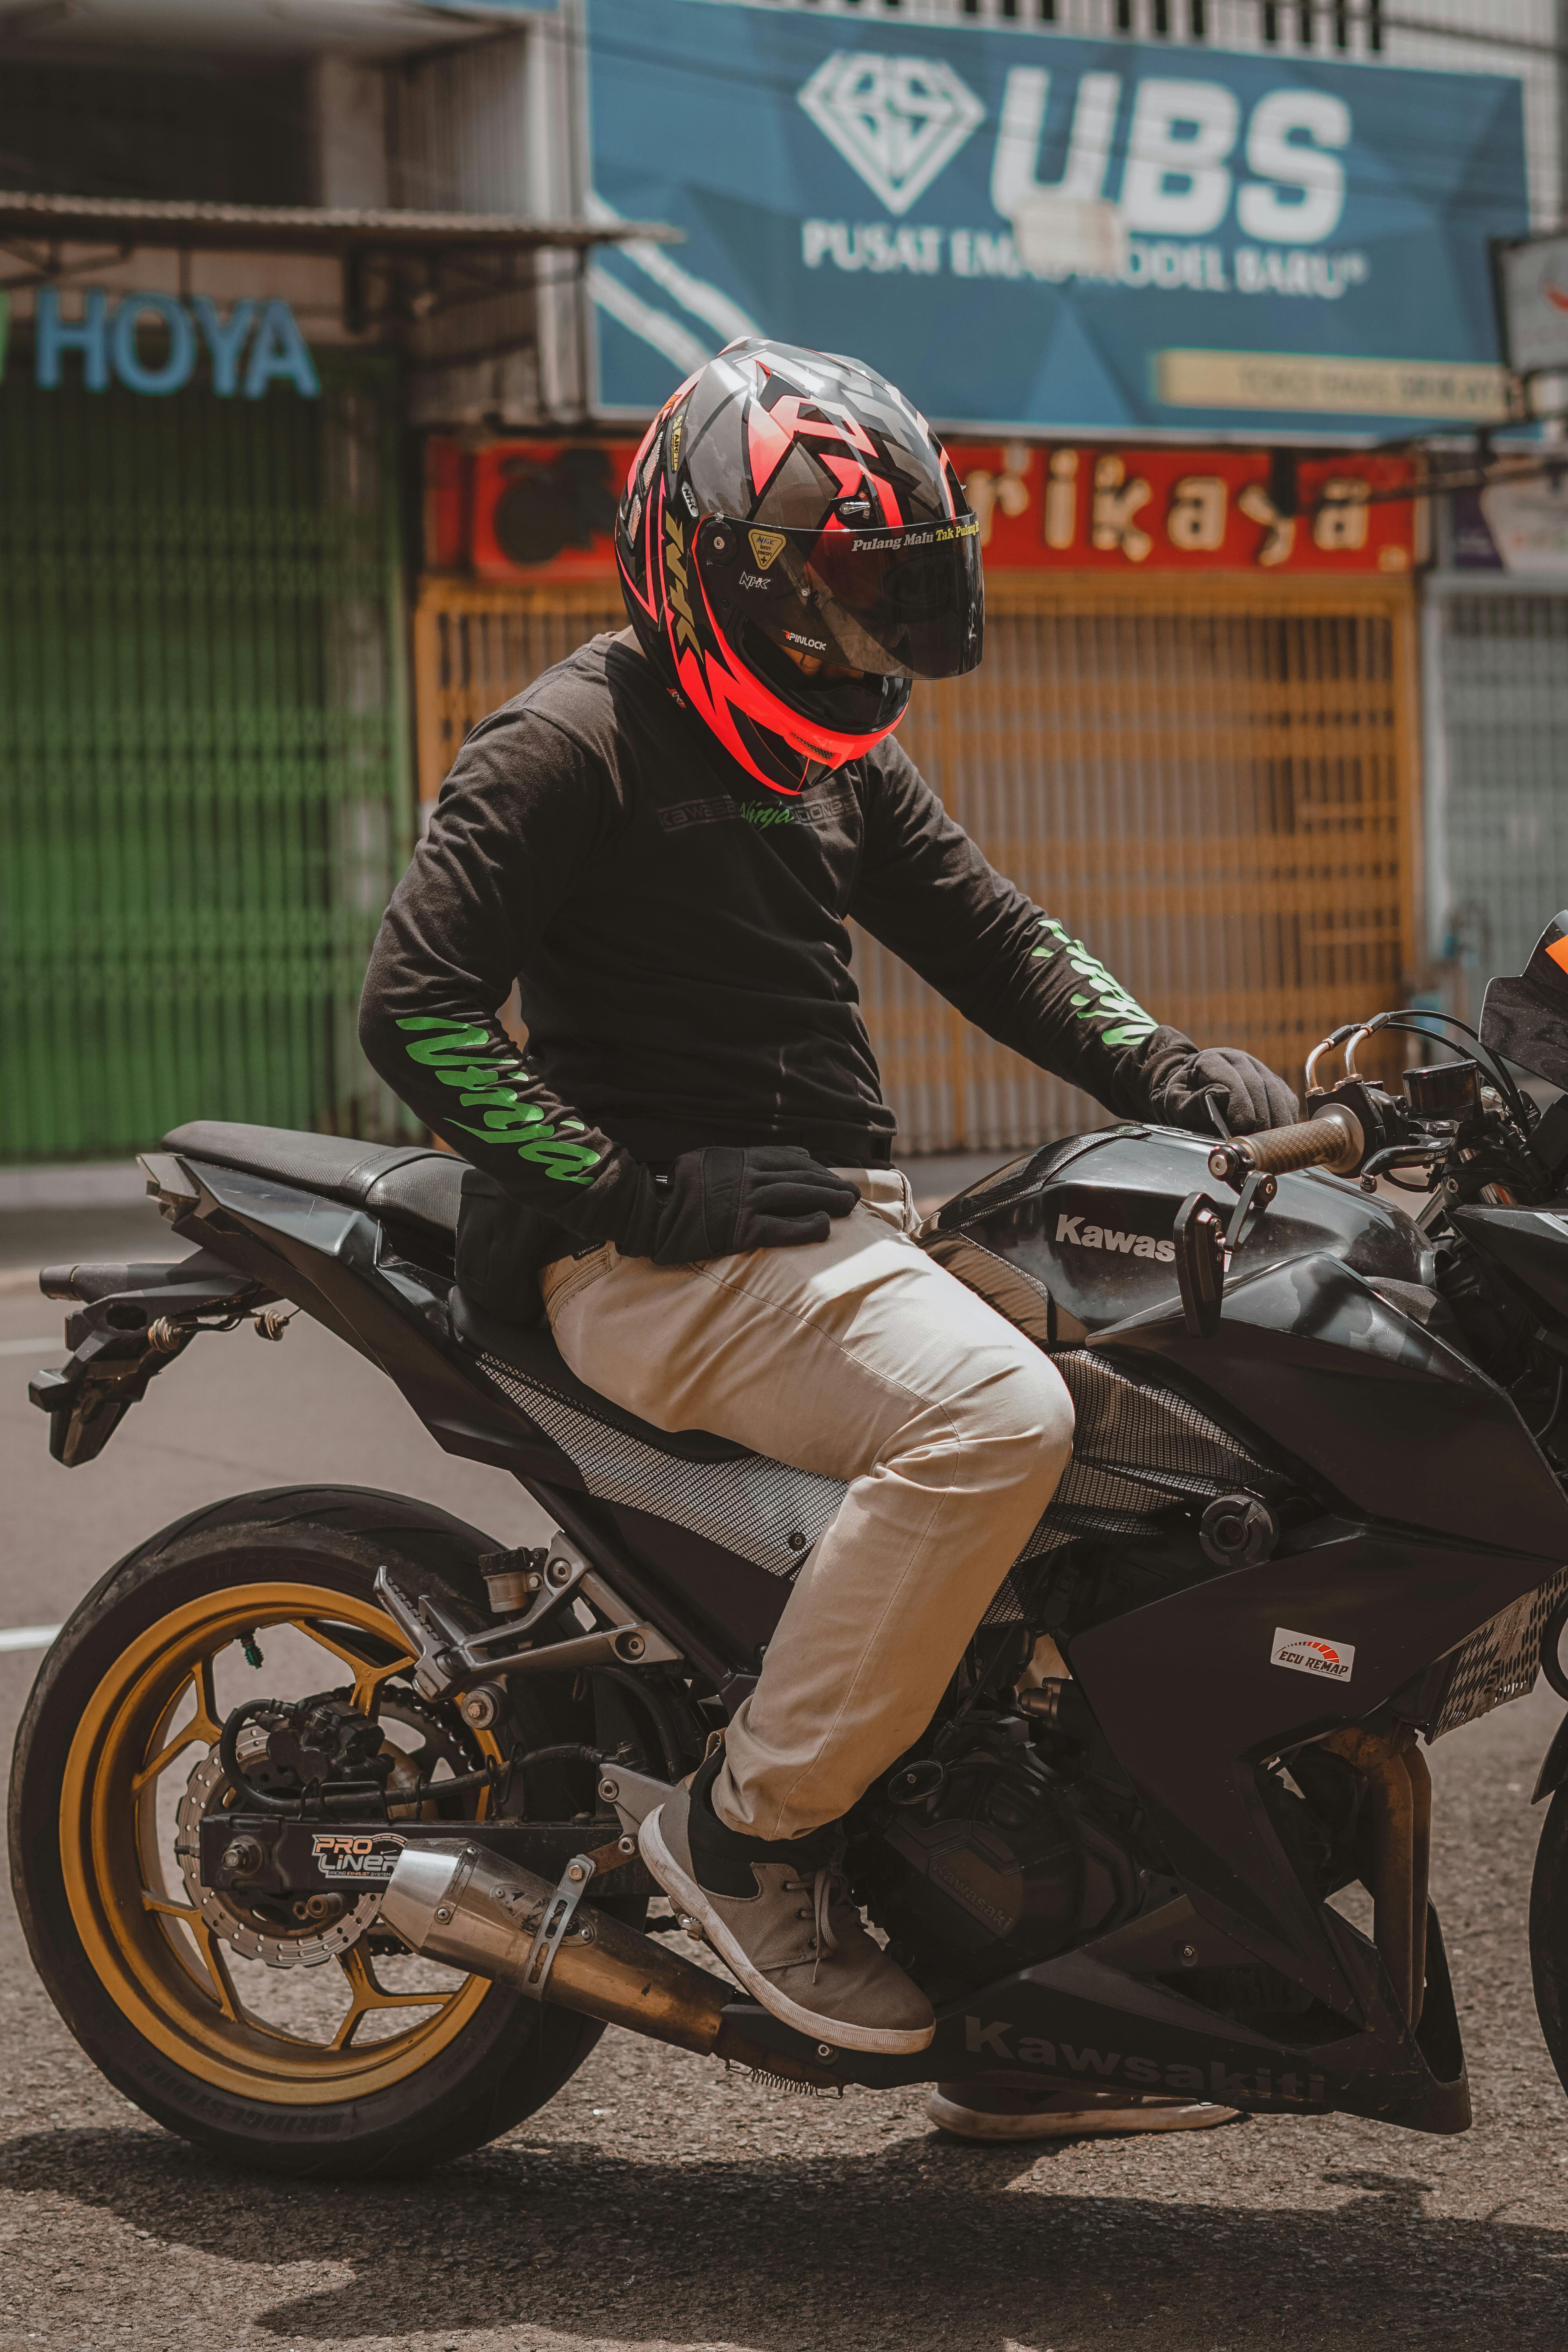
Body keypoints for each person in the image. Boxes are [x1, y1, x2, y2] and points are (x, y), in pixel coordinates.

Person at [360, 338, 1296, 2142]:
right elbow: (421, 1017)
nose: (868, 647)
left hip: (820, 1230)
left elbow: (1000, 941)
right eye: (841, 604)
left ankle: (1029, 1987)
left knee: (1176, 1440)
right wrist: (639, 1192)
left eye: (896, 604)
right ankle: (744, 1831)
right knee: (992, 1424)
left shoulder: (839, 761)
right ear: (717, 571)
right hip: (641, 1262)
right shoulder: (571, 741)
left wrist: (1177, 1071)